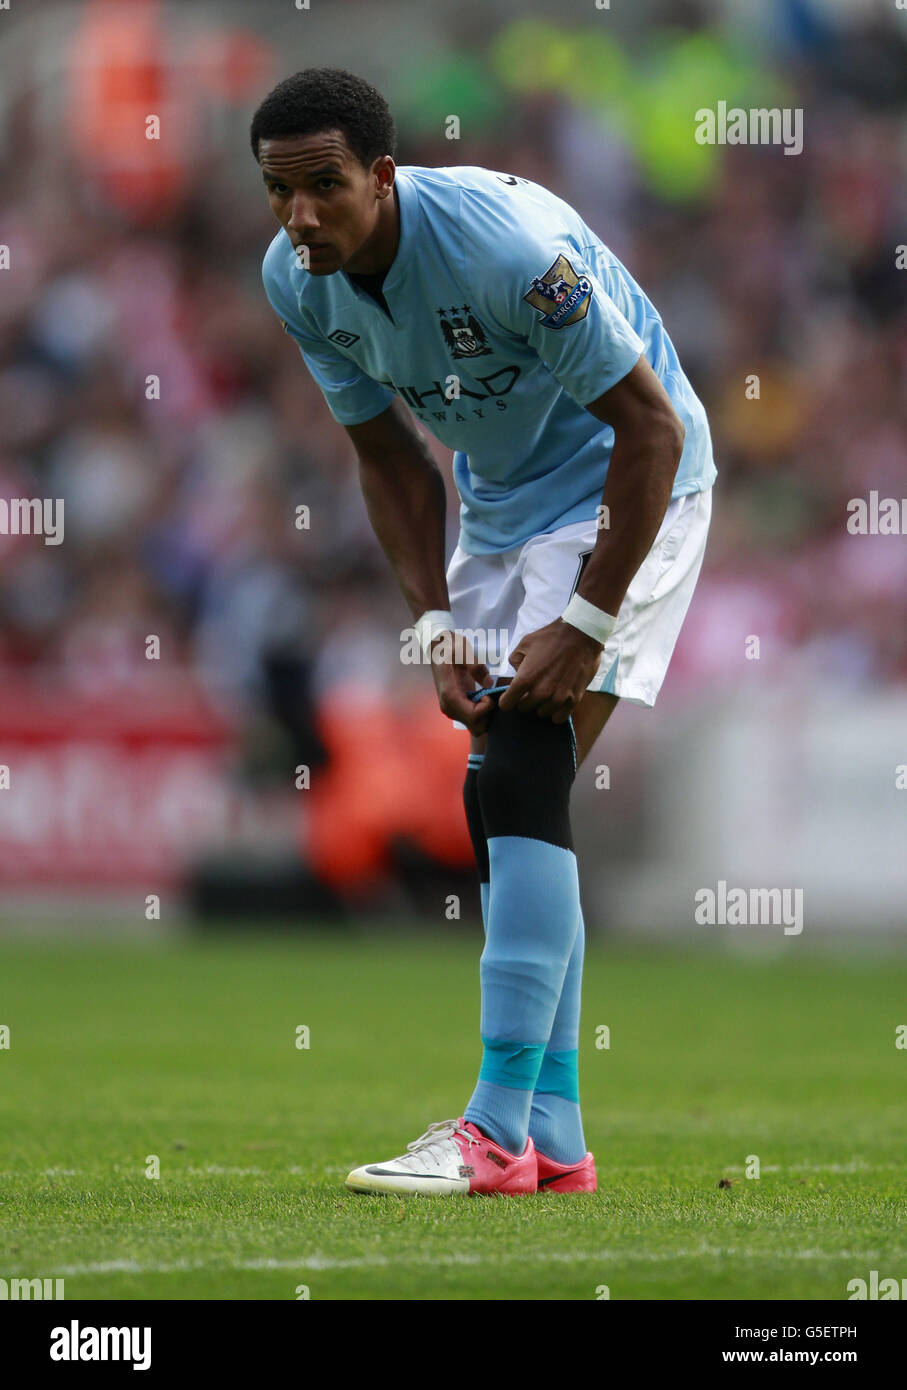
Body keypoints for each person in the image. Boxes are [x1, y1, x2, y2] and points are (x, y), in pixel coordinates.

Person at [251, 67, 717, 1196]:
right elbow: (389, 458)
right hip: (501, 510)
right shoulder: (297, 281)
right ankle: (550, 1130)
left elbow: (647, 428)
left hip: (628, 489)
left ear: (383, 175)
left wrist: (589, 618)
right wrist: (431, 623)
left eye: (326, 186)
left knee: (518, 764)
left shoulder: (504, 248)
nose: (302, 215)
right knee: (500, 792)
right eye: (279, 191)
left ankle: (495, 1127)